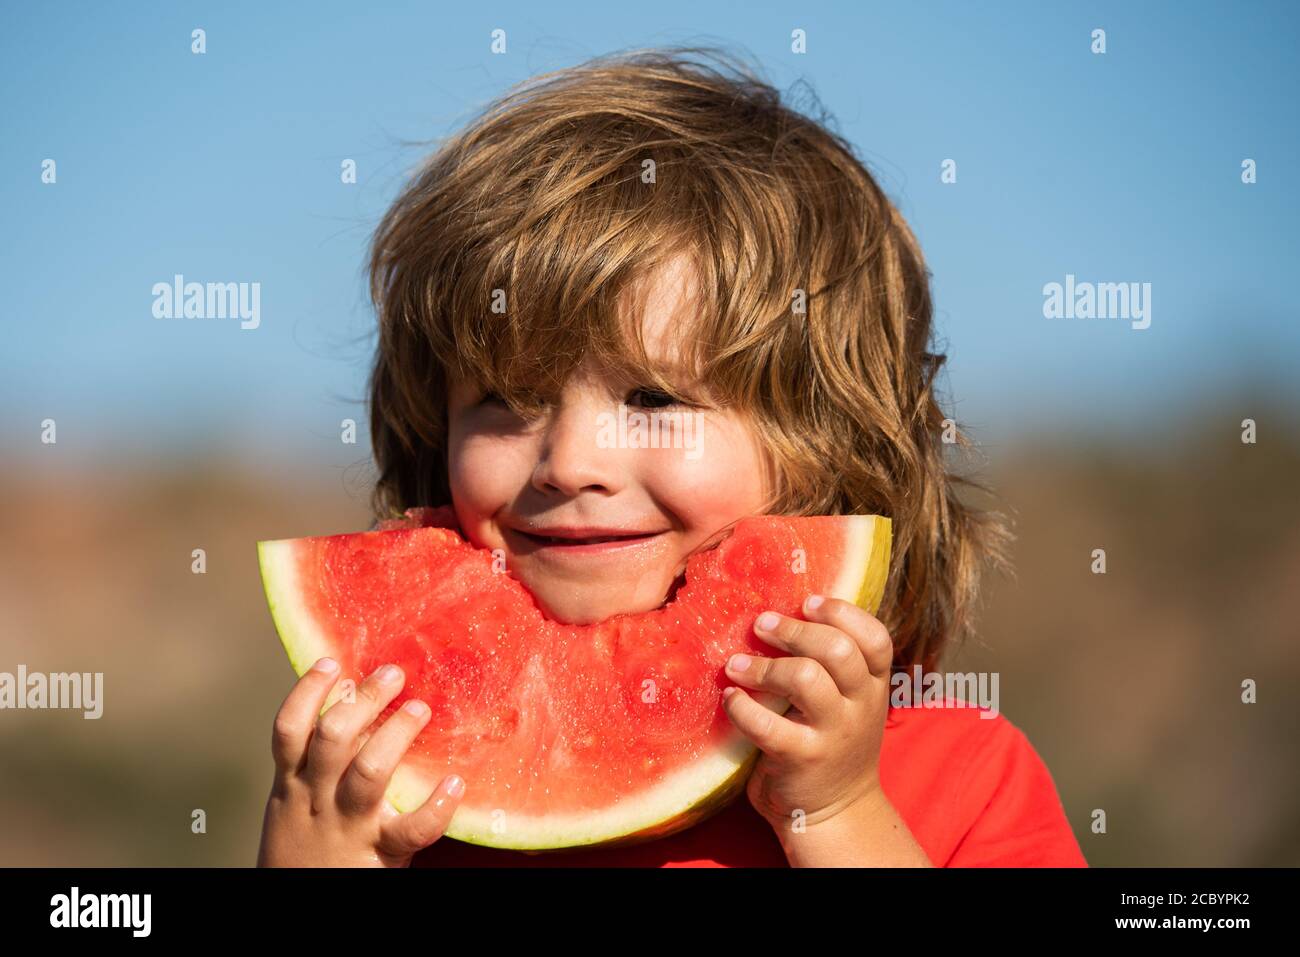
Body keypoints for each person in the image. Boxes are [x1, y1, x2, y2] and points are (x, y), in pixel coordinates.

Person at [257, 47, 1087, 868]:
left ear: (832, 444)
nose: (570, 463)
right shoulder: (401, 797)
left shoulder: (964, 775)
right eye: (506, 401)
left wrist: (836, 811)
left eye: (653, 400)